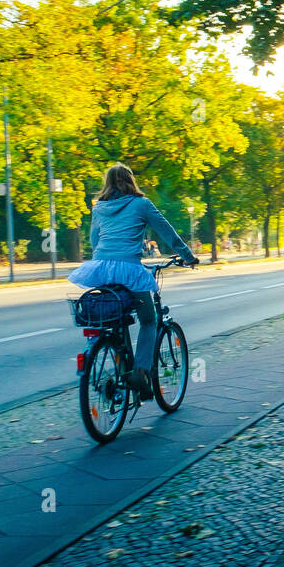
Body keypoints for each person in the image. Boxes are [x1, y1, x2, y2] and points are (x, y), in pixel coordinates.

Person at [69, 164, 198, 397]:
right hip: (128, 268)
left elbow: (94, 240)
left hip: (101, 269)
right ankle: (139, 372)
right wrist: (188, 257)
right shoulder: (141, 204)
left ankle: (118, 366)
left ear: (107, 183)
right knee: (149, 319)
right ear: (131, 181)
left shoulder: (99, 208)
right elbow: (167, 232)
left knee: (115, 317)